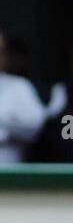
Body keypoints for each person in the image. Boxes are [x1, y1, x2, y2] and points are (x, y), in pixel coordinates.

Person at [0, 30, 45, 163]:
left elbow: (34, 125)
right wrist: (11, 120)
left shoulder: (20, 85)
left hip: (8, 165)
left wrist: (4, 127)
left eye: (2, 51)